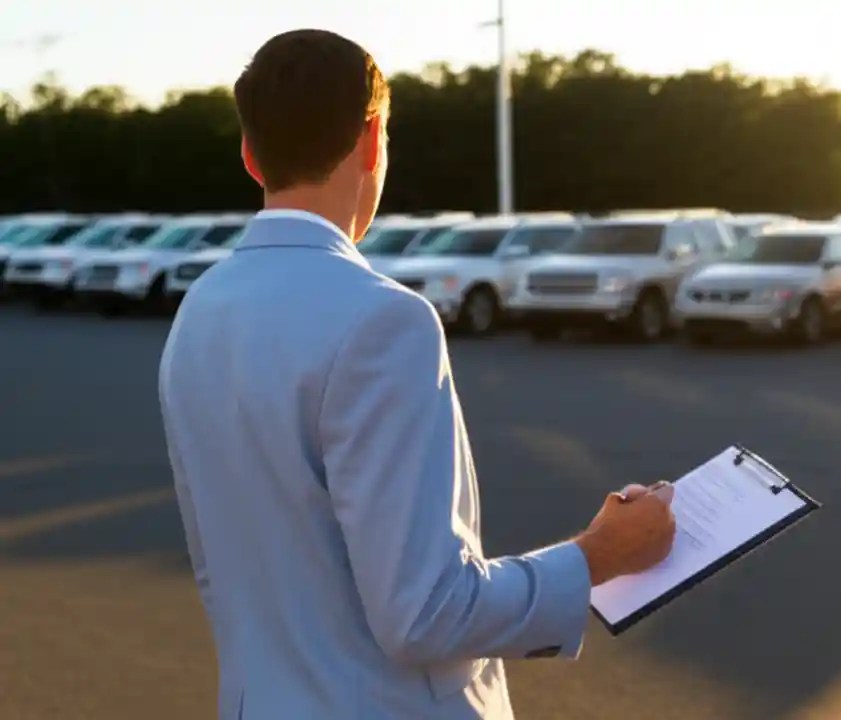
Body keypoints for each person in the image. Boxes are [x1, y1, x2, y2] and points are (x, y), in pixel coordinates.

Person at [158, 29, 676, 720]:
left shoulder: (201, 308)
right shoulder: (383, 320)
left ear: (252, 156)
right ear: (373, 139)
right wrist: (599, 556)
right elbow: (425, 614)